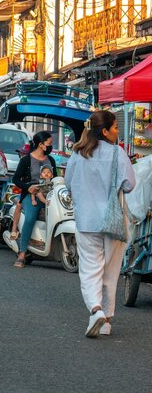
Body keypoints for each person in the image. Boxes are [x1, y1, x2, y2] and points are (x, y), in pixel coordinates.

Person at [65, 110, 135, 338]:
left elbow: (68, 183)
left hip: (86, 219)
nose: (117, 132)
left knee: (90, 269)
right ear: (105, 131)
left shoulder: (78, 153)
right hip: (112, 221)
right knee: (110, 271)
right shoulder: (118, 153)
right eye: (115, 128)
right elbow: (130, 185)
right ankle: (106, 320)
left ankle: (96, 311)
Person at [11, 131, 57, 268]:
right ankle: (22, 253)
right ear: (41, 144)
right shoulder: (26, 160)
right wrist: (28, 187)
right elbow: (15, 179)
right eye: (49, 143)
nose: (50, 146)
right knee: (30, 217)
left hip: (49, 195)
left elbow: (55, 179)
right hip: (31, 196)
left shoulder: (51, 160)